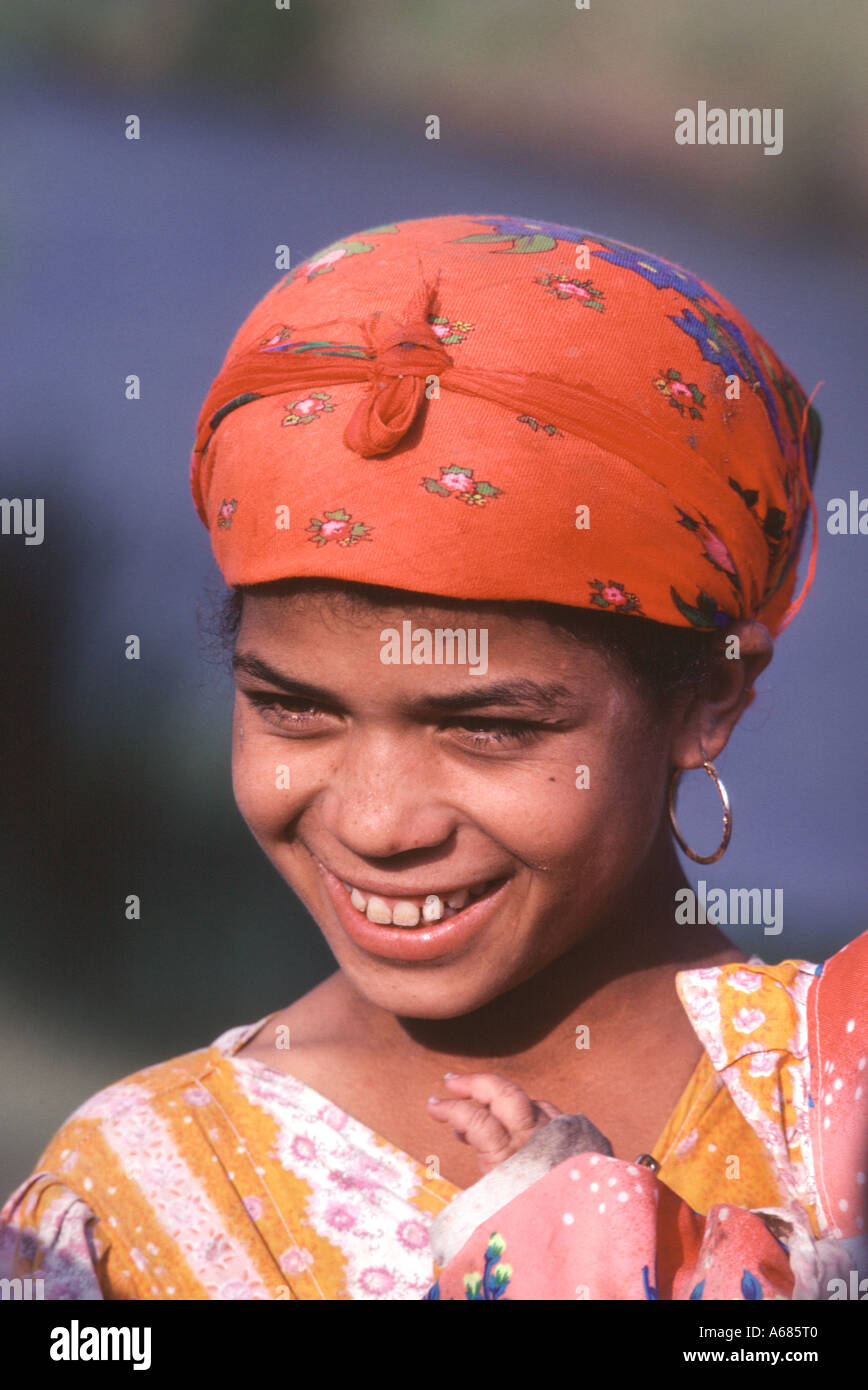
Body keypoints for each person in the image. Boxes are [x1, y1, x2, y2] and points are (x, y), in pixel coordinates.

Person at [1, 212, 864, 1301]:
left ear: (709, 696)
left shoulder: (837, 1104)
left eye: (487, 727)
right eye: (294, 710)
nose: (374, 821)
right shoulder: (133, 1213)